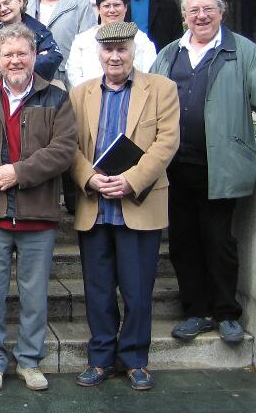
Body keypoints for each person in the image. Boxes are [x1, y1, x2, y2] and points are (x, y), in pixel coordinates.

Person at [150, 0, 256, 345]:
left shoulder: (242, 51)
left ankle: (225, 313)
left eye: (208, 9)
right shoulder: (170, 53)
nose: (201, 16)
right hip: (175, 168)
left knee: (218, 241)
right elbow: (148, 106)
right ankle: (195, 311)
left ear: (221, 11)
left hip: (219, 167)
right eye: (194, 10)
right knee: (182, 243)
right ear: (184, 15)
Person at [69, 21, 180, 391]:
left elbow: (166, 142)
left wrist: (131, 179)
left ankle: (134, 360)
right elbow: (69, 145)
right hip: (95, 206)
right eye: (108, 50)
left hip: (138, 204)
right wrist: (88, 177)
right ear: (99, 53)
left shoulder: (161, 89)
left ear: (134, 51)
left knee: (137, 291)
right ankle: (100, 359)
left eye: (122, 49)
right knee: (98, 290)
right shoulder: (80, 93)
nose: (115, 57)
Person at [0, 23, 77, 393]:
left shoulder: (56, 97)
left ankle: (30, 360)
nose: (15, 60)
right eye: (8, 54)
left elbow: (64, 149)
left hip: (38, 212)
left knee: (34, 295)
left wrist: (19, 172)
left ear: (35, 56)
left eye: (22, 53)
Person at [26, 0, 97, 86]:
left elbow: (89, 44)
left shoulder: (80, 2)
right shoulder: (27, 5)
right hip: (33, 77)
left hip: (69, 76)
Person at [67, 0, 157, 88]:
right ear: (99, 9)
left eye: (117, 5)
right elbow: (74, 74)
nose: (112, 10)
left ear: (125, 7)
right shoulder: (82, 40)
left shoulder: (141, 39)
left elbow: (150, 72)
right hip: (90, 95)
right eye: (107, 6)